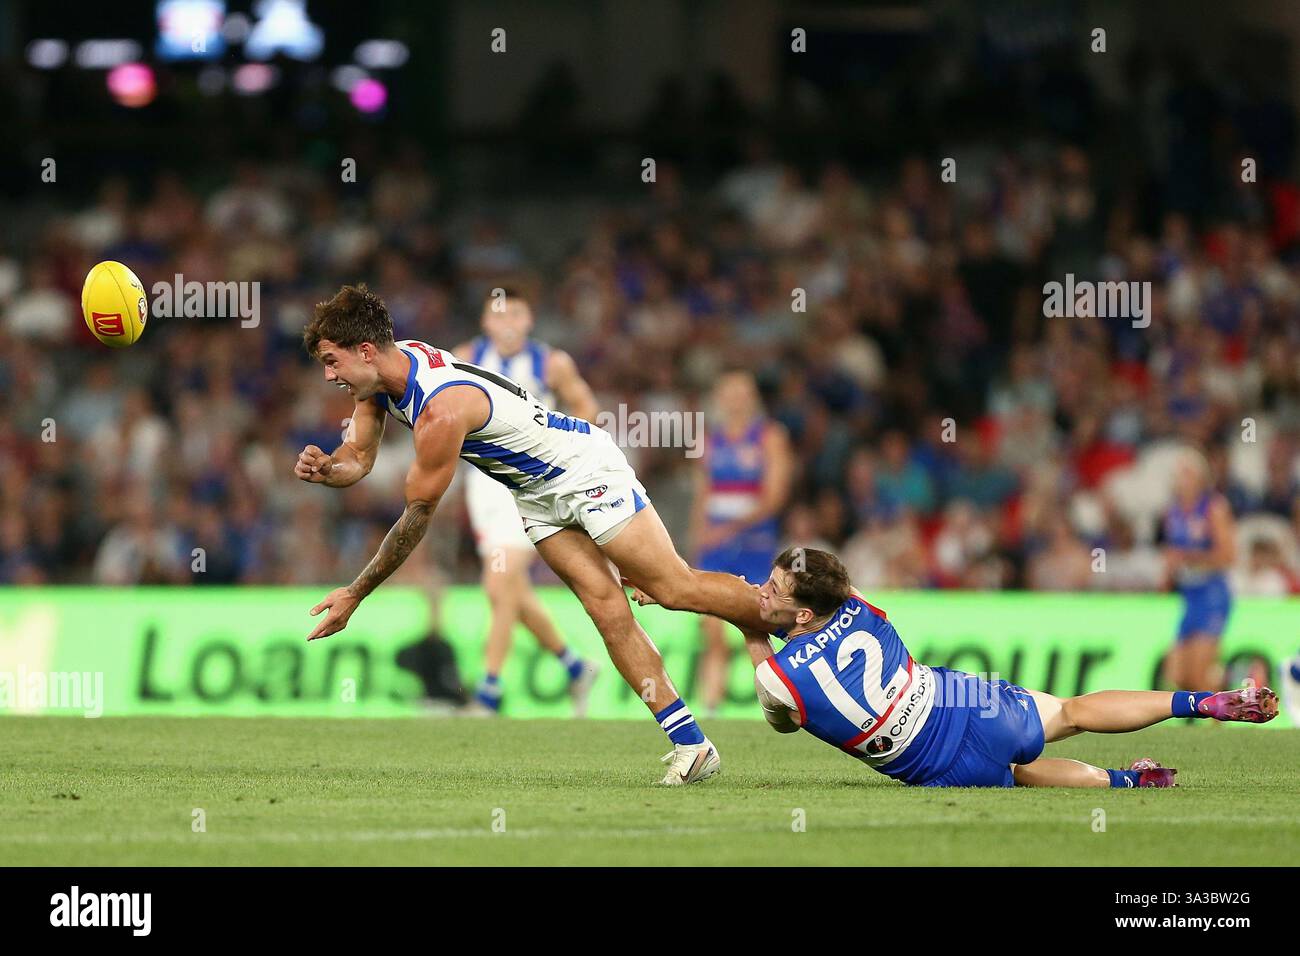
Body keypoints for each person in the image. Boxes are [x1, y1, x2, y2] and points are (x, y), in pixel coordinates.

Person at [294, 285, 767, 784]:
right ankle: (692, 745)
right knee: (606, 611)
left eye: (332, 361)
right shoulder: (383, 376)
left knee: (673, 589)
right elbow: (359, 459)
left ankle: (789, 619)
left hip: (584, 471)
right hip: (535, 495)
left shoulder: (441, 410)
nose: (329, 376)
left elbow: (416, 518)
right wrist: (329, 468)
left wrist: (356, 592)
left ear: (365, 351)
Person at [640, 546, 1277, 788]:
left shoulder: (774, 679)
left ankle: (1129, 785)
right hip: (962, 704)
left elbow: (779, 713)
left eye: (776, 588)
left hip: (932, 764)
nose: (765, 594)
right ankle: (1205, 703)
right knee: (1073, 712)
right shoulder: (864, 612)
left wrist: (750, 629)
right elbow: (806, 604)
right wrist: (768, 606)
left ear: (801, 617)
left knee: (1022, 777)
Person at [452, 289, 601, 716]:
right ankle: (574, 667)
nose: (507, 323)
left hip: (530, 485)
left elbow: (585, 406)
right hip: (483, 485)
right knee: (507, 588)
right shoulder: (465, 356)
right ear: (485, 321)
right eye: (498, 314)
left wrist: (564, 453)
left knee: (499, 584)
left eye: (515, 313)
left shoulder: (551, 362)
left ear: (529, 319)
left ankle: (489, 692)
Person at [689, 370, 791, 715]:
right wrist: (698, 545)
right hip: (715, 548)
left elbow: (774, 497)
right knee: (711, 628)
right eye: (728, 391)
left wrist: (728, 529)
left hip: (754, 545)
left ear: (753, 397)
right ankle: (710, 710)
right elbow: (703, 497)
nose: (735, 398)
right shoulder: (709, 441)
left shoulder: (770, 436)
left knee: (758, 626)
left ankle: (779, 700)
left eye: (741, 391)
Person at [1162, 448, 1237, 692]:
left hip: (1212, 594)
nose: (1182, 480)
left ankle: (1224, 717)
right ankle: (1232, 688)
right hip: (1189, 595)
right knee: (1177, 674)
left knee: (1199, 672)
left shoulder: (1213, 508)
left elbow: (1228, 555)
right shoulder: (1173, 511)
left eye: (1188, 474)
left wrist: (1189, 557)